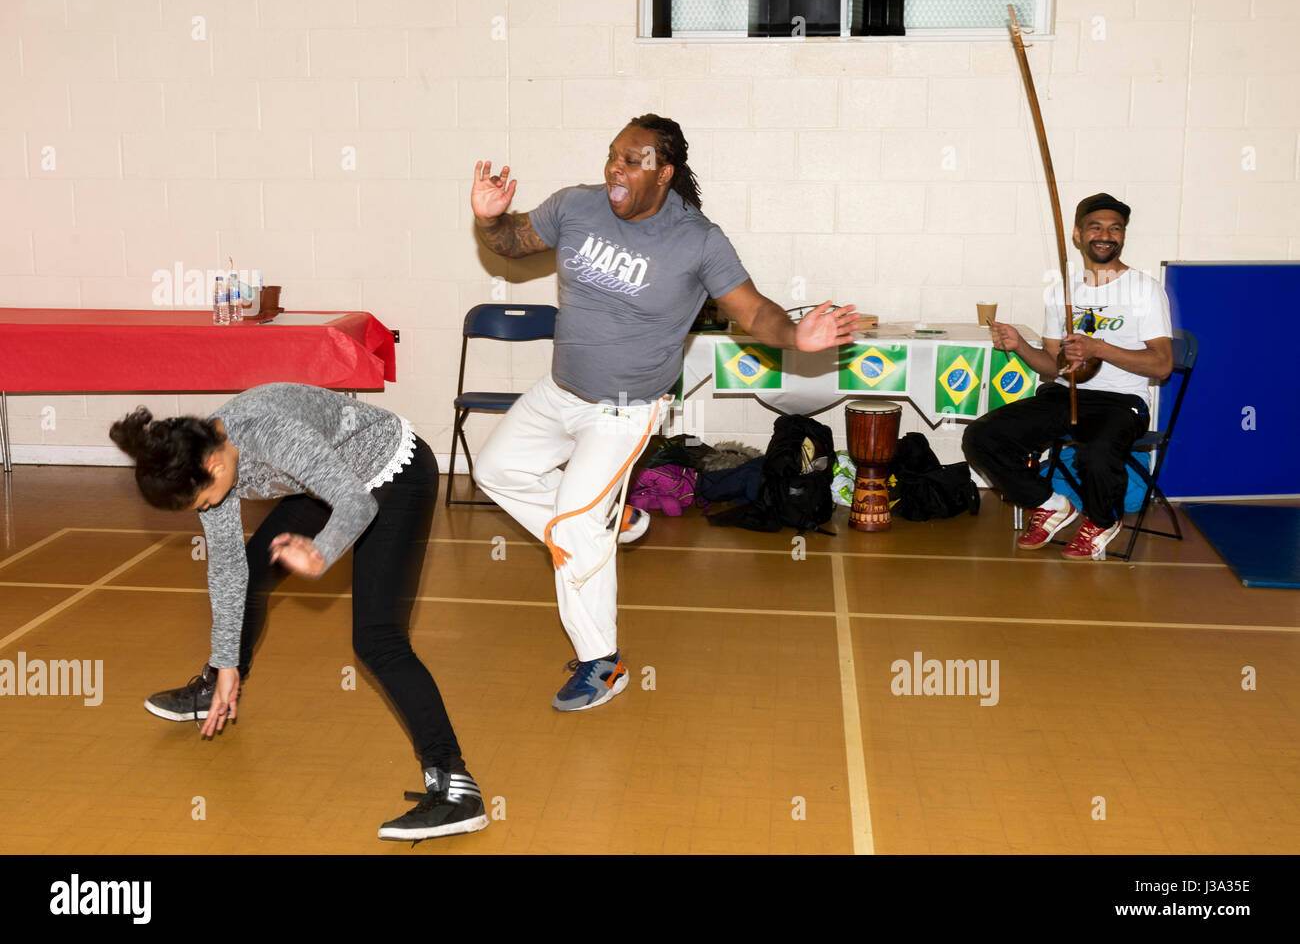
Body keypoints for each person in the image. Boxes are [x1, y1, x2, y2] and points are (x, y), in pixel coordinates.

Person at [469, 114, 859, 710]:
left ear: (664, 174)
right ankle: (614, 521)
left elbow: (751, 312)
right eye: (612, 156)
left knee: (575, 528)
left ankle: (603, 663)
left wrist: (794, 334)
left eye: (632, 161)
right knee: (494, 471)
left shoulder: (697, 239)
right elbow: (512, 243)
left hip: (624, 409)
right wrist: (490, 215)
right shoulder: (576, 205)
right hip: (560, 392)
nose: (615, 170)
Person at [110, 382, 487, 841]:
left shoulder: (268, 434)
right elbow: (227, 567)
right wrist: (226, 660)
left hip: (392, 474)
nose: (209, 508)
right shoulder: (201, 451)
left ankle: (455, 787)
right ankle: (218, 686)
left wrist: (322, 552)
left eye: (204, 501)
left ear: (213, 465)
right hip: (327, 477)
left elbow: (355, 503)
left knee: (378, 640)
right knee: (248, 572)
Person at [962, 193, 1173, 560]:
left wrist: (1100, 349)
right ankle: (1050, 504)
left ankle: (1103, 519)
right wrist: (1020, 346)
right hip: (1064, 394)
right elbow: (1052, 365)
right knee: (983, 435)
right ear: (1078, 235)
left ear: (1123, 236)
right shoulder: (1062, 290)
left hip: (1122, 402)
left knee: (1095, 452)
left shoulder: (1144, 290)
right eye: (1096, 227)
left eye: (1115, 229)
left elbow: (1161, 365)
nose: (1105, 235)